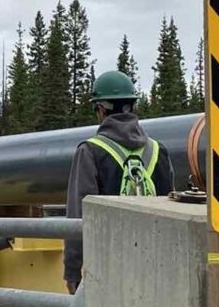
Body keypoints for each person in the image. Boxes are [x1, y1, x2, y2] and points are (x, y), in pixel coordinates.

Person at [63, 70, 174, 293]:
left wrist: (73, 272)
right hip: (157, 269)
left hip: (110, 272)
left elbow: (77, 216)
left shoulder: (90, 151)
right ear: (132, 106)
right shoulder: (158, 151)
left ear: (101, 110)